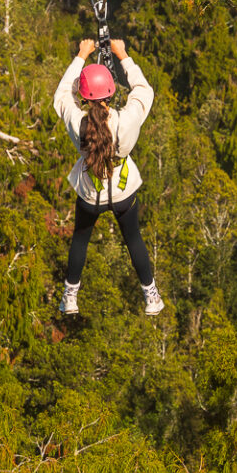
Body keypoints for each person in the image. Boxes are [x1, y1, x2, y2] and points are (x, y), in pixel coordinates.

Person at [52, 37, 164, 316]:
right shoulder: (127, 120)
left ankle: (71, 297)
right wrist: (123, 54)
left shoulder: (78, 123)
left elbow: (62, 94)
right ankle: (151, 297)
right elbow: (143, 90)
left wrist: (81, 55)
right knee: (133, 239)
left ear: (84, 97)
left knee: (81, 238)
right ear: (111, 94)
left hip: (90, 194)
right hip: (124, 191)